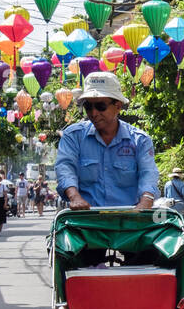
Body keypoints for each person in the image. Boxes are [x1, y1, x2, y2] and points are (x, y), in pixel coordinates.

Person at [55, 72, 159, 211]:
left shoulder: (140, 140)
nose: (93, 113)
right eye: (88, 107)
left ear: (118, 106)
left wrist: (146, 201)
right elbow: (65, 167)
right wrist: (75, 197)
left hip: (130, 221)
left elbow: (148, 173)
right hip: (85, 221)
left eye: (100, 106)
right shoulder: (73, 137)